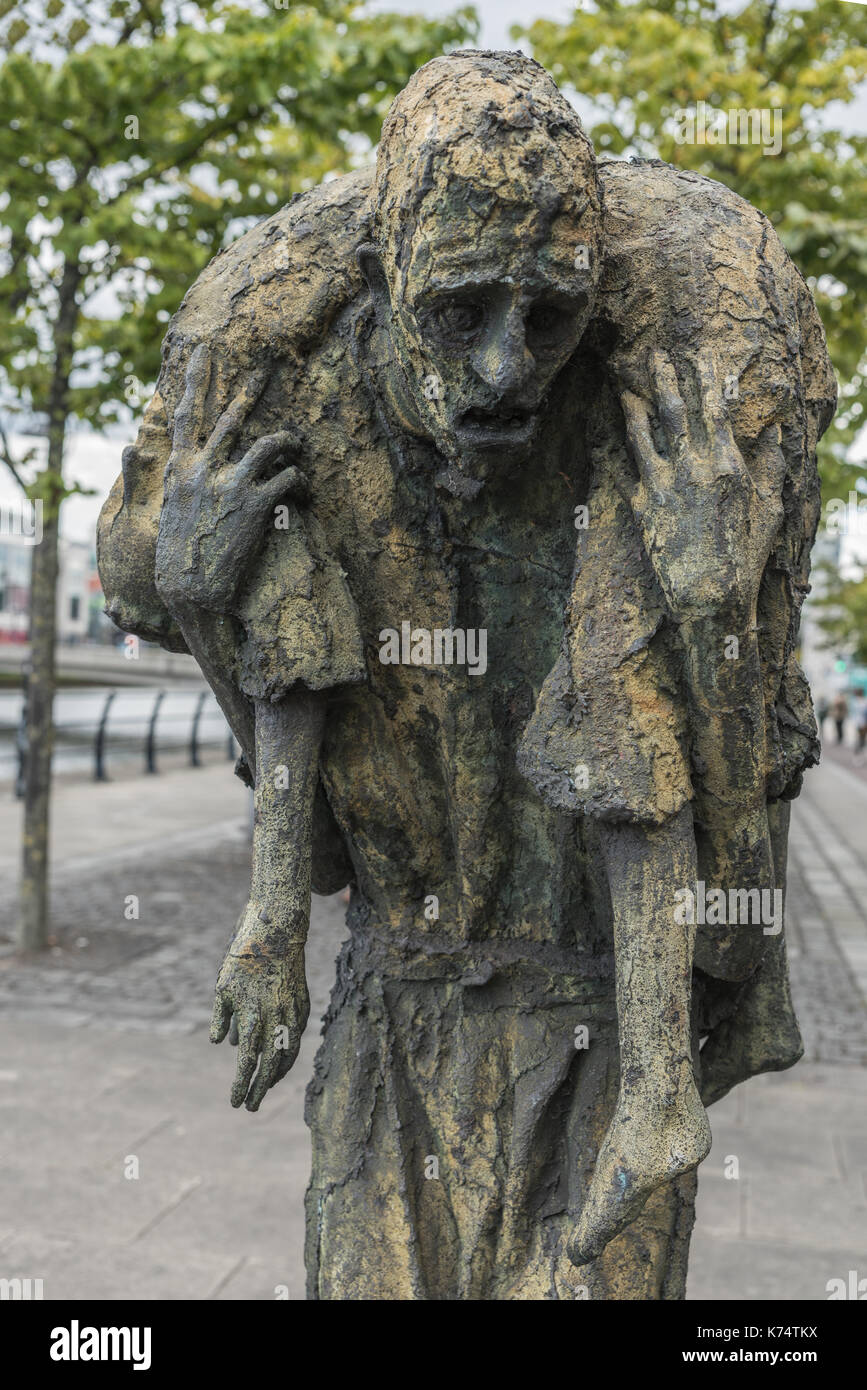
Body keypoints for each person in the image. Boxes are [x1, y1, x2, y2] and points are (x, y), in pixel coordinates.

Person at [98, 51, 835, 1299]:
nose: (506, 368)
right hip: (397, 1007)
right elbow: (275, 686)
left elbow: (734, 776)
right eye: (460, 311)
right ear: (386, 277)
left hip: (601, 1009)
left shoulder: (650, 401)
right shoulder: (302, 392)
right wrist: (196, 595)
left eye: (547, 316)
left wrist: (715, 610)